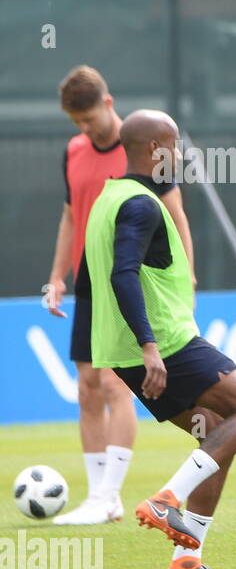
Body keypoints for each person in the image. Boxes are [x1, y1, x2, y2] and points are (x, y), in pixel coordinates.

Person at [84, 109, 236, 569]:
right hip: (165, 343)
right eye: (173, 145)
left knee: (215, 433)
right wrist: (150, 345)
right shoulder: (143, 205)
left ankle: (187, 563)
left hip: (125, 351)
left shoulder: (108, 198)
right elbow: (122, 273)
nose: (179, 155)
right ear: (155, 150)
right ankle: (168, 499)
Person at [46, 66, 197, 525]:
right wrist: (56, 276)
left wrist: (187, 271)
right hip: (89, 279)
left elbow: (176, 212)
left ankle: (110, 494)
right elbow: (71, 217)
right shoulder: (73, 151)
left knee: (116, 383)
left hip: (131, 278)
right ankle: (97, 498)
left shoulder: (141, 152)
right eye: (77, 123)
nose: (84, 129)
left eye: (89, 119)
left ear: (108, 104)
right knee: (88, 387)